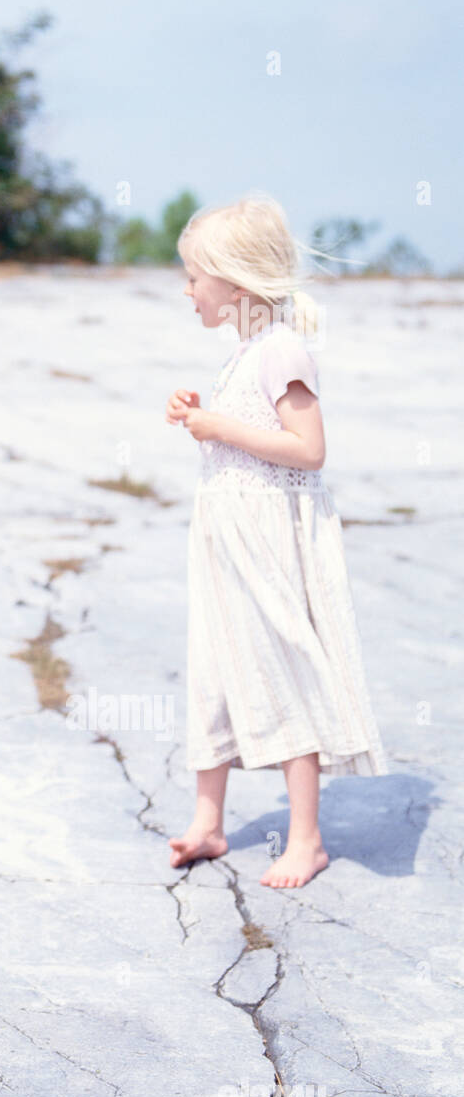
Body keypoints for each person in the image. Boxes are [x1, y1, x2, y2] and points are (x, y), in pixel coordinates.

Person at [164, 194, 386, 889]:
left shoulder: (284, 348)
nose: (187, 290)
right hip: (224, 537)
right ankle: (207, 821)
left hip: (268, 540)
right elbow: (247, 433)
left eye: (194, 276)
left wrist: (222, 430)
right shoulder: (244, 352)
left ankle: (307, 838)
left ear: (233, 283)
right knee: (214, 670)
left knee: (285, 668)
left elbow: (308, 448)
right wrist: (201, 413)